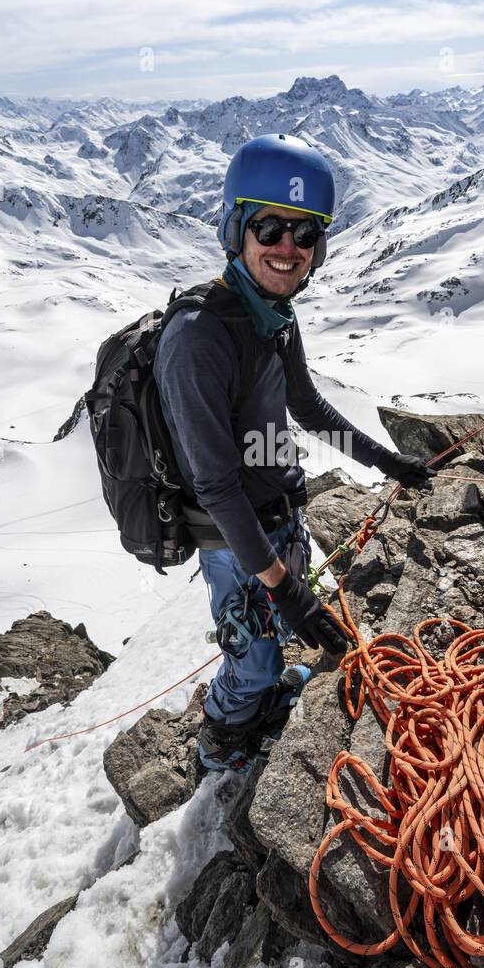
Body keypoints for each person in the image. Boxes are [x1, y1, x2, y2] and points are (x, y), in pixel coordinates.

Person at [153, 132, 434, 773]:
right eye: (271, 228)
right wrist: (285, 590)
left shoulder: (275, 316)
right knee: (251, 657)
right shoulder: (198, 338)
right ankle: (222, 749)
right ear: (236, 229)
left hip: (276, 515)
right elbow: (218, 487)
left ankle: (263, 695)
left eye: (304, 234)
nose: (288, 248)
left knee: (271, 640)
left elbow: (306, 409)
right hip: (232, 537)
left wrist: (383, 461)